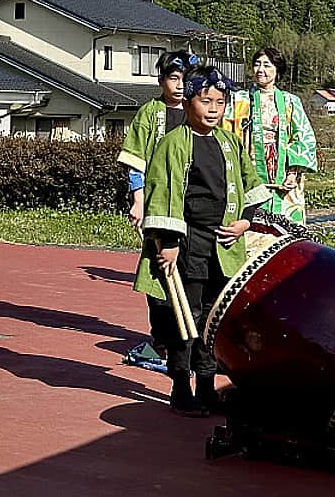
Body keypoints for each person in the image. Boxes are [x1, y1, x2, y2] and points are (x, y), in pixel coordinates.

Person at [134, 66, 271, 416]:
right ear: (189, 102)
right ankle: (181, 389)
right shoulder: (173, 143)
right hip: (187, 243)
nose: (213, 108)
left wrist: (246, 222)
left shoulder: (229, 142)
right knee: (185, 319)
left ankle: (208, 387)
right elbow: (161, 192)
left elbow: (250, 184)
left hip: (223, 244)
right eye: (205, 100)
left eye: (220, 102)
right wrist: (168, 242)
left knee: (213, 319)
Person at [117, 50, 198, 358]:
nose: (179, 85)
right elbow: (135, 159)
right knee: (158, 270)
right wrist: (138, 200)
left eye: (185, 79)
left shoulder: (197, 111)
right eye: (173, 78)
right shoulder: (150, 112)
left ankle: (190, 335)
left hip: (193, 205)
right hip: (158, 203)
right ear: (162, 80)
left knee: (193, 270)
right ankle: (162, 337)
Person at [224, 47, 317, 225]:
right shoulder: (238, 100)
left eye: (267, 65)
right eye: (257, 64)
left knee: (286, 231)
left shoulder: (291, 101)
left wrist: (292, 173)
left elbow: (304, 138)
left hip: (283, 171)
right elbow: (226, 133)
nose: (261, 70)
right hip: (248, 166)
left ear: (277, 70)